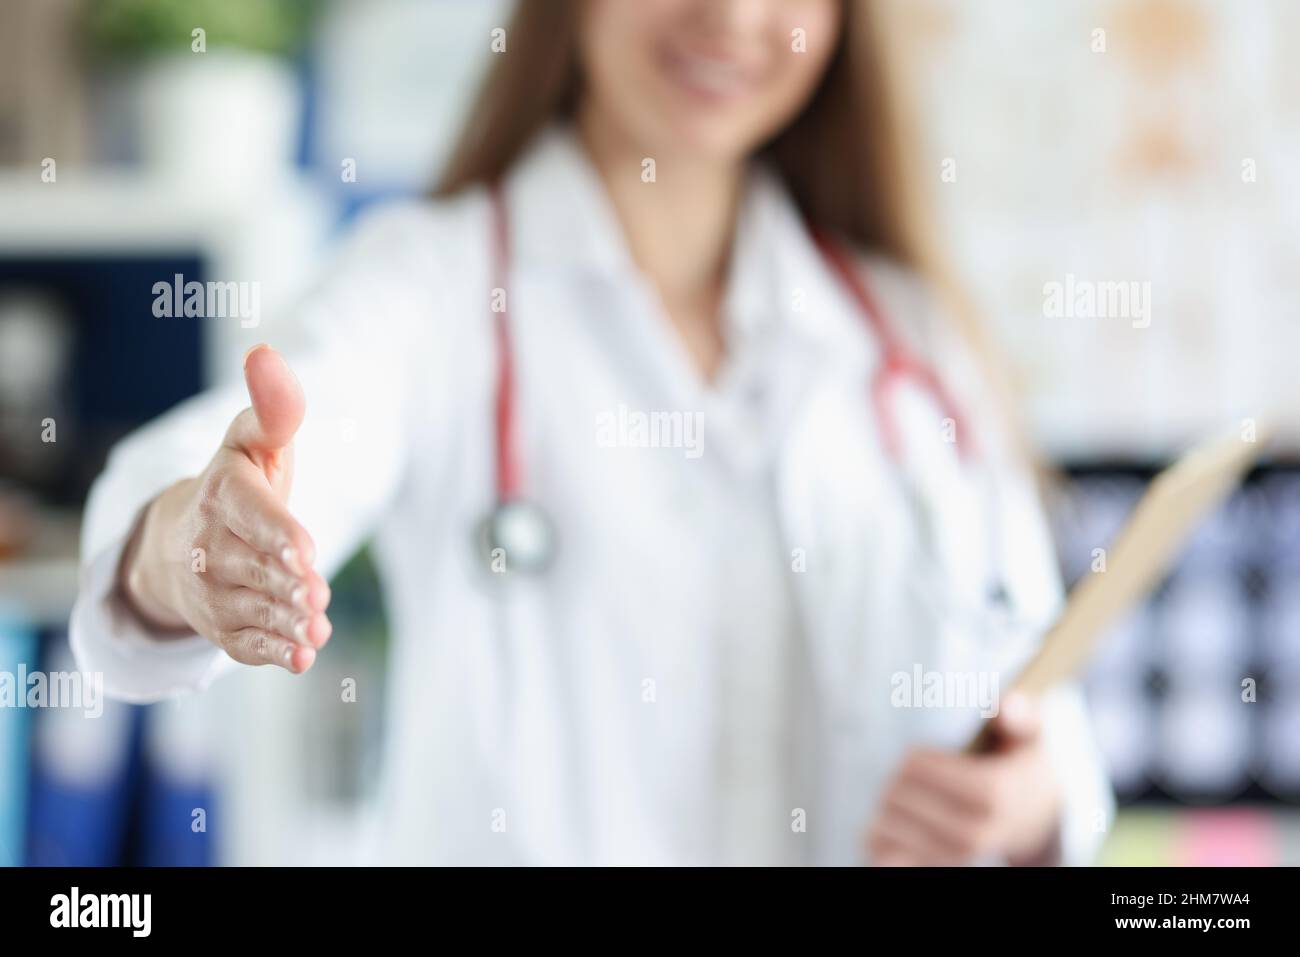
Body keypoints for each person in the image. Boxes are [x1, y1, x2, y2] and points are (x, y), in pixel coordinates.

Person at [71, 0, 1112, 865]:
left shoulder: (909, 335)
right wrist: (192, 548)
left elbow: (1030, 688)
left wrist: (1031, 799)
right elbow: (222, 471)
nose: (733, 17)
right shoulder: (431, 288)